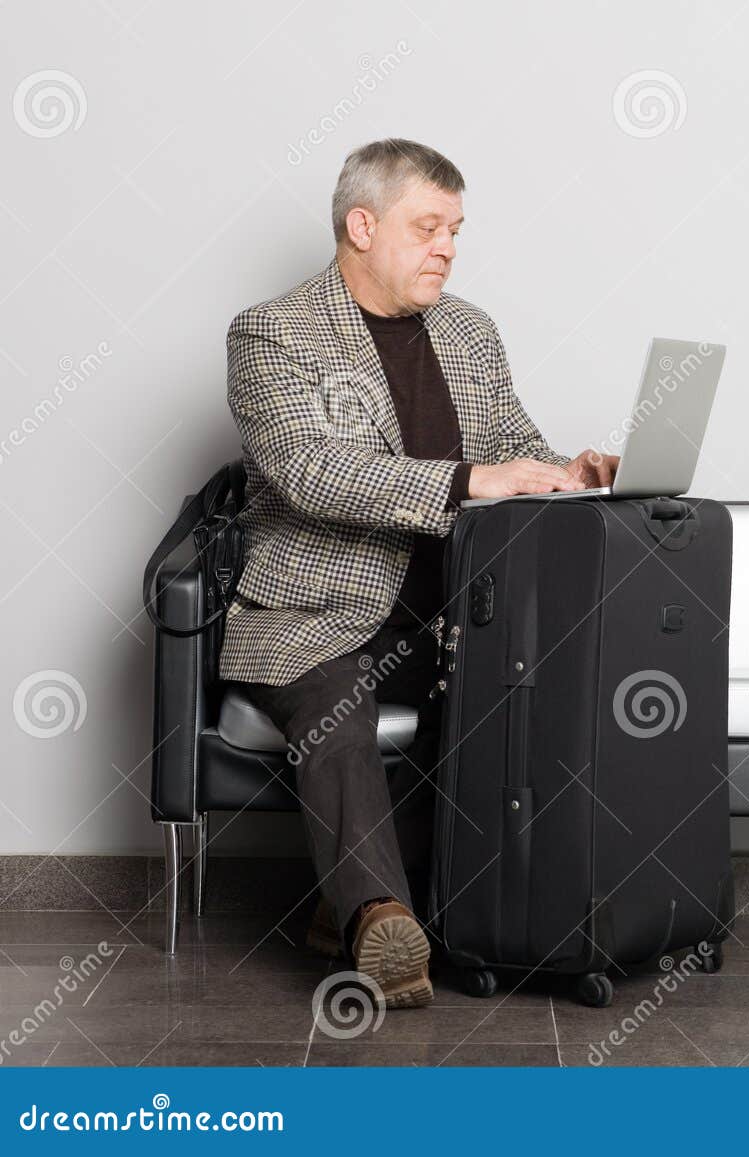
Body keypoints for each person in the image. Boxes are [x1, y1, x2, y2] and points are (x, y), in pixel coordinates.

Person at [221, 138, 618, 1008]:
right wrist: (471, 480)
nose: (448, 247)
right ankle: (380, 918)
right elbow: (310, 470)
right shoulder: (273, 332)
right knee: (336, 710)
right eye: (428, 227)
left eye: (456, 230)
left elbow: (513, 447)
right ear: (362, 227)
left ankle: (358, 908)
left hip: (451, 611)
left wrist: (569, 473)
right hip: (316, 610)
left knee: (507, 697)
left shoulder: (469, 331)